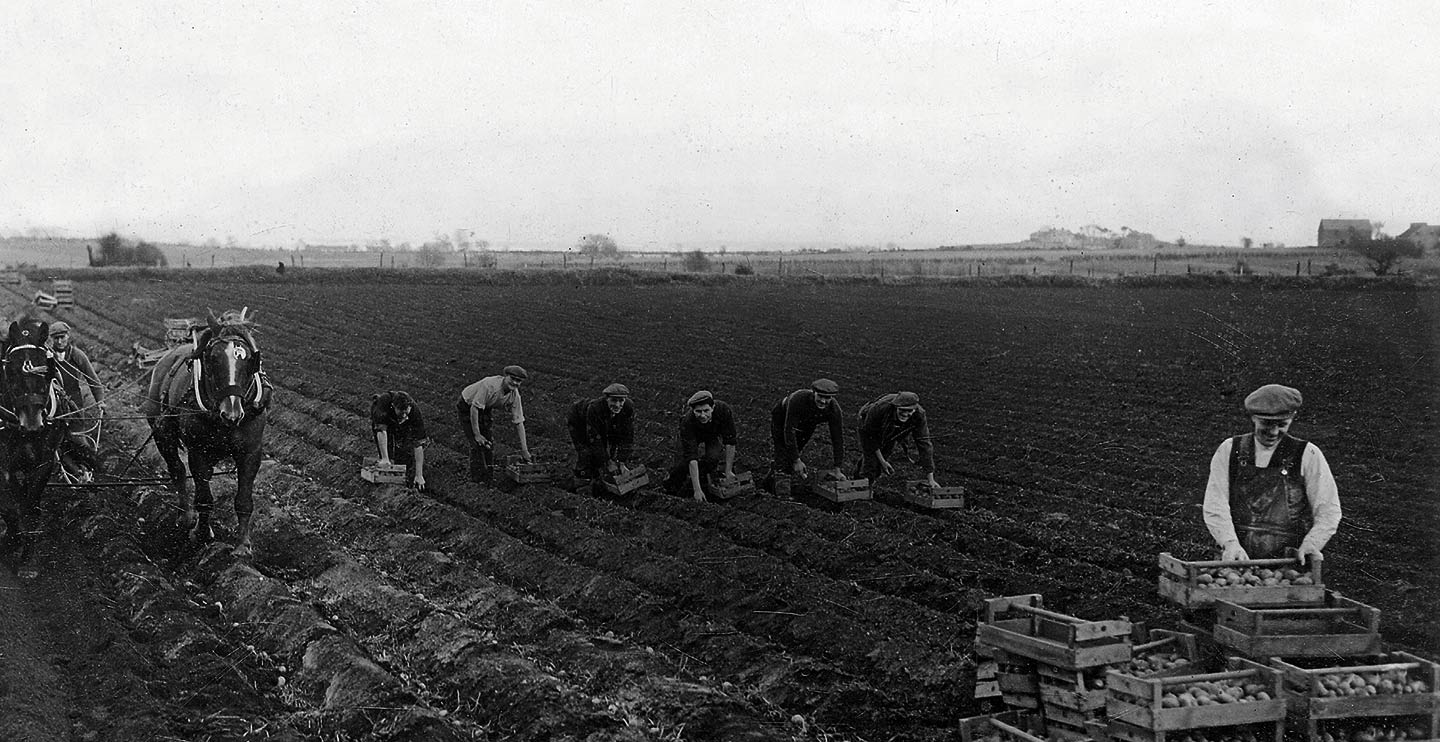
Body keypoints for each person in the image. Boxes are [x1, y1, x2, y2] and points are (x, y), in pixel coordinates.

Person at [1202, 384, 1340, 565]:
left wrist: (1312, 543)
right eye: (1266, 424)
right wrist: (1229, 543)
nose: (1274, 432)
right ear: (1253, 417)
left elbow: (1328, 509)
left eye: (1282, 425)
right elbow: (1215, 503)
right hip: (1234, 559)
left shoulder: (1308, 454)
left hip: (1289, 563)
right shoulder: (1230, 450)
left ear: (1293, 418)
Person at [456, 365, 530, 483]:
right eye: (512, 379)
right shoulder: (489, 385)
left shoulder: (515, 395)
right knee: (477, 444)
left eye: (519, 381)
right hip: (467, 404)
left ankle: (488, 479)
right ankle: (477, 481)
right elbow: (474, 409)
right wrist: (477, 434)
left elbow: (519, 422)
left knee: (488, 442)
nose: (515, 383)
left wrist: (524, 450)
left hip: (485, 407)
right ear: (505, 377)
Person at [48, 321, 104, 478]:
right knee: (53, 442)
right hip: (53, 404)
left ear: (68, 336)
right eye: (55, 338)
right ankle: (65, 468)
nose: (59, 342)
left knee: (77, 438)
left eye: (62, 337)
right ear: (50, 339)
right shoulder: (46, 356)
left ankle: (87, 469)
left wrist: (100, 401)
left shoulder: (77, 355)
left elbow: (93, 380)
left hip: (74, 403)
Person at [854, 391, 941, 489]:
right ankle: (862, 487)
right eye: (902, 410)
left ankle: (860, 480)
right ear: (896, 407)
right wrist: (882, 461)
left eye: (909, 411)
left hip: (895, 428)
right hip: (868, 424)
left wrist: (930, 479)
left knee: (884, 454)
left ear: (914, 410)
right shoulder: (880, 409)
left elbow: (924, 444)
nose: (905, 414)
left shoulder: (919, 415)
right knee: (871, 458)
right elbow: (871, 438)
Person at [770, 378, 846, 490]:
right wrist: (797, 460)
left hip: (807, 424)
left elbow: (837, 440)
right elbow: (789, 431)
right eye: (820, 396)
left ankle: (769, 482)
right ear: (813, 393)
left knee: (792, 455)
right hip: (782, 419)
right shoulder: (798, 400)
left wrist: (837, 469)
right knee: (783, 452)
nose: (823, 401)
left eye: (827, 398)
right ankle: (782, 494)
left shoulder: (834, 410)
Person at [663, 390, 738, 502]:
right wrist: (696, 490)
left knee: (713, 458)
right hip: (693, 435)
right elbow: (692, 457)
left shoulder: (723, 410)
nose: (703, 415)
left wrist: (728, 471)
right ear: (692, 410)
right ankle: (672, 487)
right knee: (681, 465)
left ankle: (703, 481)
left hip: (712, 434)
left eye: (706, 410)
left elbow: (730, 441)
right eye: (698, 411)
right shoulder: (687, 421)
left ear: (713, 407)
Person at [567, 382, 636, 485]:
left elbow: (627, 436)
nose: (617, 405)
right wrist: (607, 462)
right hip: (579, 420)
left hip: (606, 420)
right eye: (613, 400)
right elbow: (595, 439)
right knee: (585, 451)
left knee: (614, 442)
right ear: (606, 399)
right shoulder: (595, 408)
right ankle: (581, 480)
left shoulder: (628, 408)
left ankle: (602, 475)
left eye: (621, 401)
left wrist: (621, 462)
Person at [371, 390, 428, 489]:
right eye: (402, 413)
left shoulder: (415, 412)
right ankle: (385, 480)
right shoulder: (384, 403)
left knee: (403, 449)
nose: (405, 416)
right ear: (394, 406)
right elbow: (381, 431)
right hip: (384, 418)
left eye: (406, 412)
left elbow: (418, 444)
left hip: (402, 425)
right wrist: (385, 458)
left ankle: (403, 480)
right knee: (387, 453)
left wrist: (419, 475)